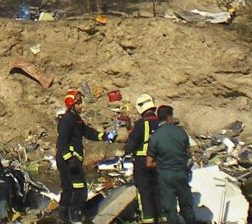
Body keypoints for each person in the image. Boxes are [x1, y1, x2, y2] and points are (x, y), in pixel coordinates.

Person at [56, 89, 115, 224]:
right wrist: (70, 159)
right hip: (69, 162)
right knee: (80, 190)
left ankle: (62, 218)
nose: (82, 106)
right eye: (79, 104)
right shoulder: (66, 120)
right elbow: (61, 143)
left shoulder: (76, 120)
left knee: (68, 189)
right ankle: (75, 217)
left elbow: (87, 132)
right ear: (72, 105)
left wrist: (104, 136)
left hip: (71, 161)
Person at [147, 106, 195, 224]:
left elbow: (149, 163)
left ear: (159, 118)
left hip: (165, 175)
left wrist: (160, 164)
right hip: (181, 173)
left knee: (170, 209)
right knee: (187, 206)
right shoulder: (181, 132)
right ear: (169, 116)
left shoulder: (155, 136)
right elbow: (188, 153)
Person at [124, 94, 161, 224]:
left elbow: (130, 145)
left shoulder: (140, 124)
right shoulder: (161, 123)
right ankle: (163, 219)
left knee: (145, 193)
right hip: (159, 162)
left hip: (142, 163)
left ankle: (148, 220)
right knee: (159, 191)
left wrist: (126, 148)